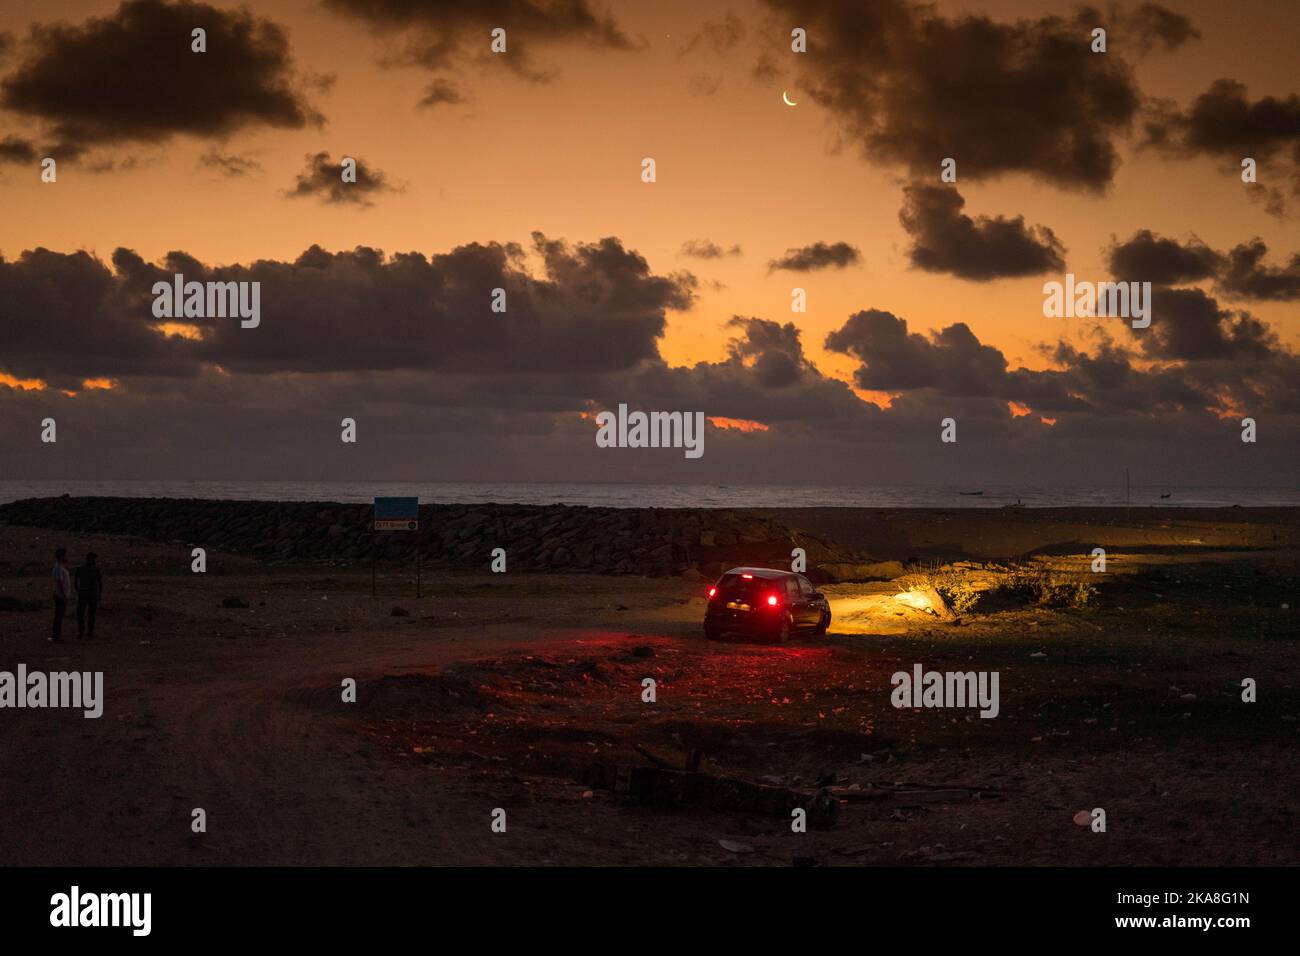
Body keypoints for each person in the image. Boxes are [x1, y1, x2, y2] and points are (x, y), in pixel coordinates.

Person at [75, 552, 103, 640]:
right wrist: (99, 594)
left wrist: (78, 591)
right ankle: (89, 632)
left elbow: (75, 582)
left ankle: (82, 632)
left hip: (84, 594)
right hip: (92, 594)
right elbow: (100, 582)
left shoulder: (80, 569)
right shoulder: (95, 569)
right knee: (90, 614)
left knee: (82, 614)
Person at [51, 548, 71, 643]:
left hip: (60, 594)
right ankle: (56, 636)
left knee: (59, 616)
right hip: (60, 595)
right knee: (59, 616)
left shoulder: (60, 567)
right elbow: (60, 582)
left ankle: (56, 635)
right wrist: (64, 595)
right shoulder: (58, 567)